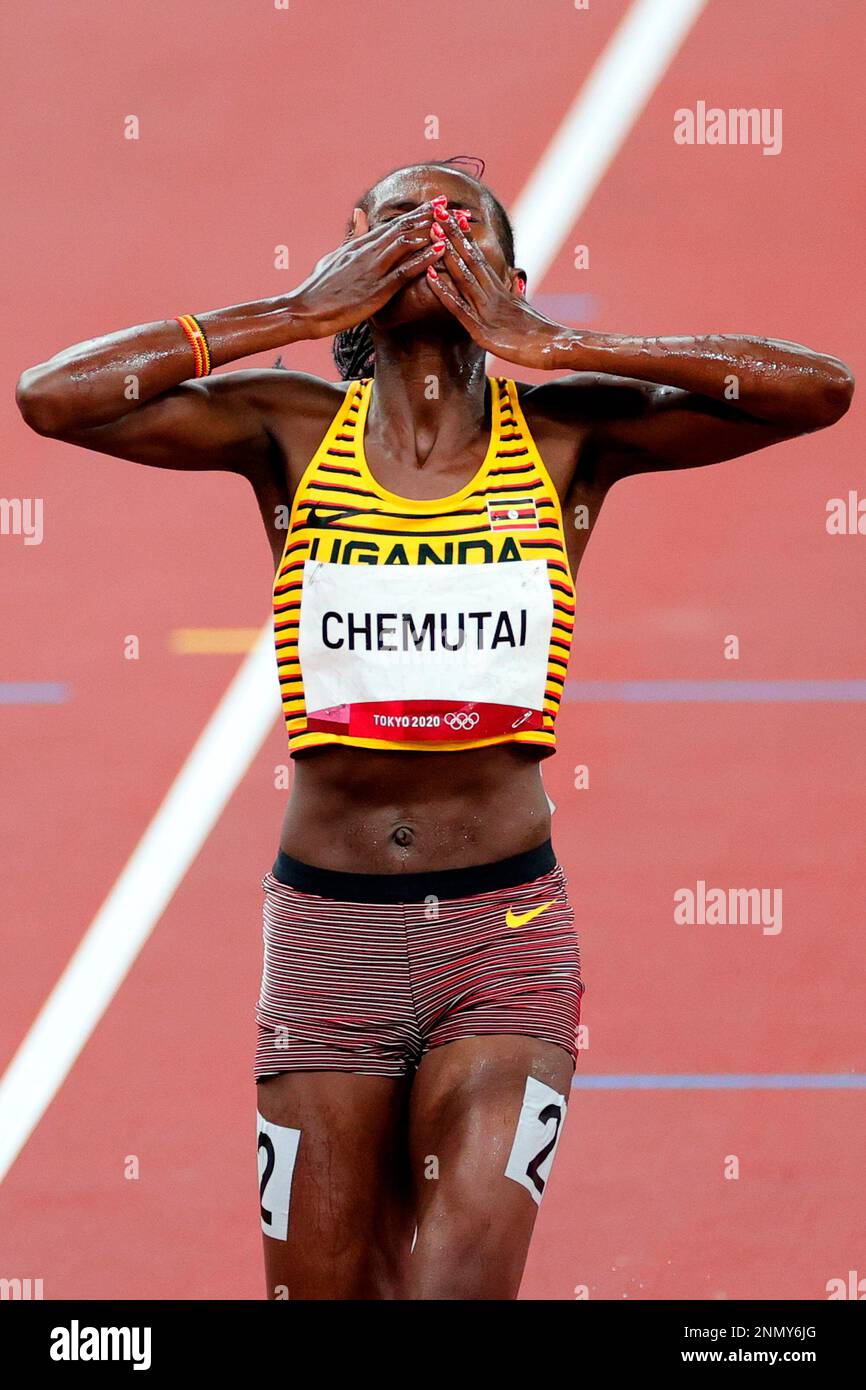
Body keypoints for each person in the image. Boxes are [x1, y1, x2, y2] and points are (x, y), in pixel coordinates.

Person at [16, 156, 854, 1300]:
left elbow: (814, 388)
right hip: (327, 942)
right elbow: (51, 396)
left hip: (501, 937)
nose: (424, 232)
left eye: (456, 220)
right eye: (392, 221)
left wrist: (560, 345)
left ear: (502, 273)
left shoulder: (566, 440)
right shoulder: (286, 431)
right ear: (347, 257)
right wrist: (291, 312)